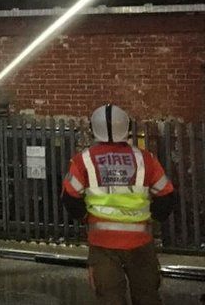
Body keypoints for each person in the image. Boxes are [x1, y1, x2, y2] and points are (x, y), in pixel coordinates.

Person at [61, 104, 176, 305]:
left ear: (93, 129)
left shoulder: (83, 161)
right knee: (147, 295)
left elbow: (70, 197)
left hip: (102, 244)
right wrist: (153, 219)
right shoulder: (145, 159)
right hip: (141, 242)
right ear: (127, 127)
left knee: (110, 298)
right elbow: (166, 195)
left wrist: (85, 218)